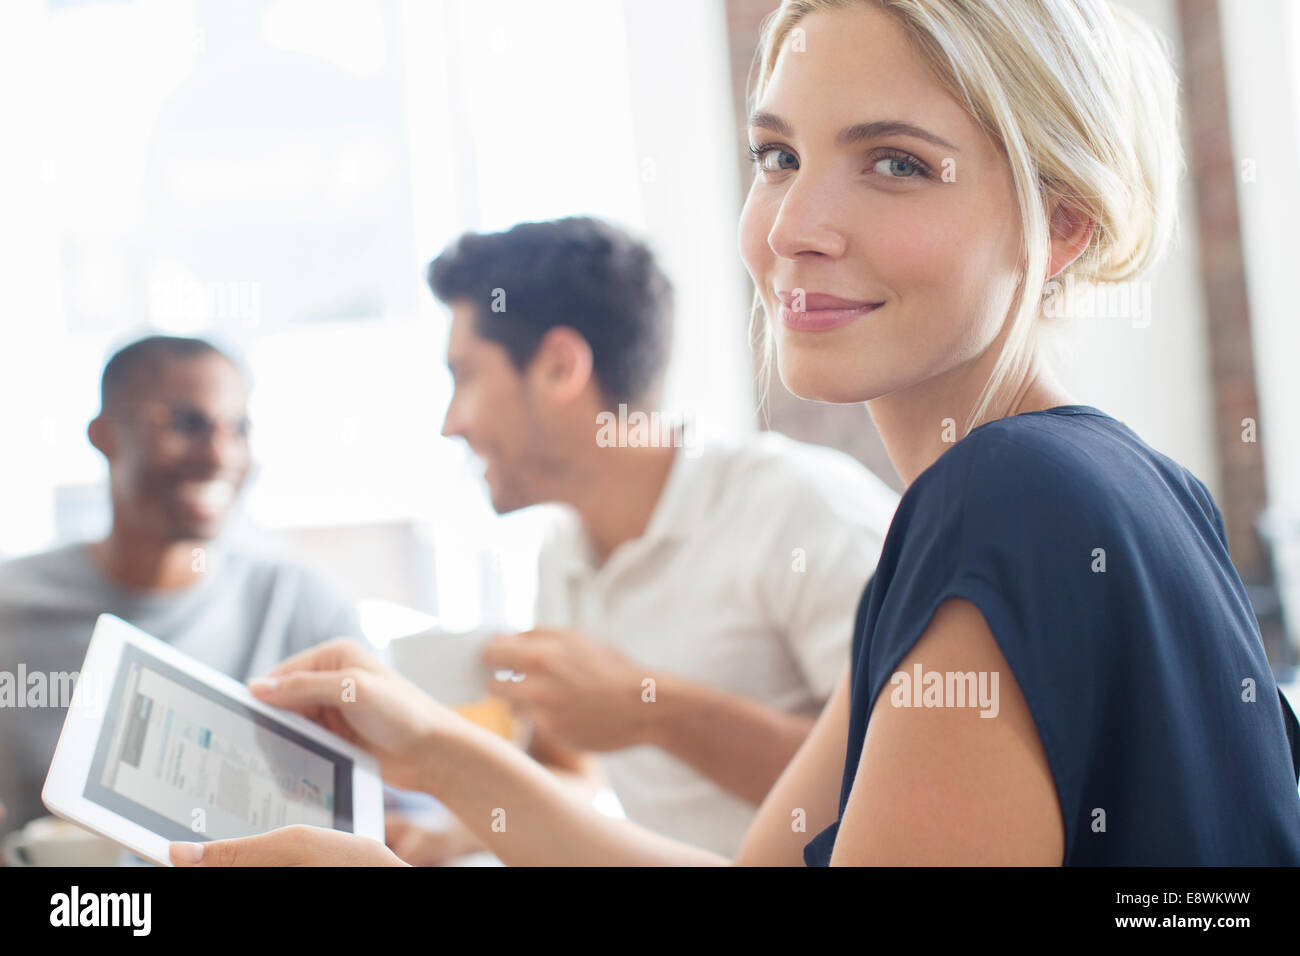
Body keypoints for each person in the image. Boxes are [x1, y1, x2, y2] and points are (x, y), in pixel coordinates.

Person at [170, 0, 1300, 867]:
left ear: (1060, 226)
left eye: (895, 163)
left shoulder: (1006, 499)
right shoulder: (1083, 488)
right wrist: (437, 748)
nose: (795, 228)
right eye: (778, 156)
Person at [386, 216, 898, 862]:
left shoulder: (799, 510)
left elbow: (903, 775)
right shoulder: (563, 553)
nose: (449, 424)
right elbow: (570, 771)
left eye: (465, 376)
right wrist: (445, 839)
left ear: (559, 368)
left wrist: (653, 711)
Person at [0, 335, 362, 838]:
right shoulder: (11, 609)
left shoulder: (303, 607)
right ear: (104, 434)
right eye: (187, 423)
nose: (219, 455)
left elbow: (386, 815)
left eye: (239, 428)